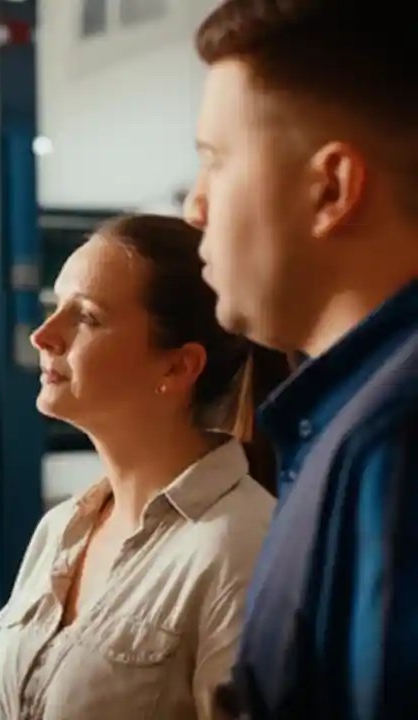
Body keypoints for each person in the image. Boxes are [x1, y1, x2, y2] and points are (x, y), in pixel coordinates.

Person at [184, 2, 418, 717]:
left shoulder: (392, 450)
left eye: (215, 163)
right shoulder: (344, 424)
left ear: (331, 189)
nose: (194, 206)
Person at [0, 214, 290, 719]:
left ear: (177, 367)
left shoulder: (240, 546)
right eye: (54, 305)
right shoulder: (60, 529)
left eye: (85, 317)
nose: (43, 335)